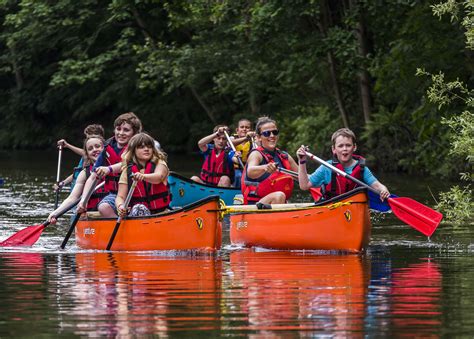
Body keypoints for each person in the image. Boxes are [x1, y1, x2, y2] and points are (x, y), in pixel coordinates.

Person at [77, 112, 142, 217]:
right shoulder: (107, 147)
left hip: (136, 193)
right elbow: (93, 177)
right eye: (118, 129)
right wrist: (83, 201)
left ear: (134, 133)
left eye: (126, 130)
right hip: (115, 194)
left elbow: (128, 163)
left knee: (138, 210)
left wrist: (109, 169)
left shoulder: (139, 147)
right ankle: (119, 227)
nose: (121, 133)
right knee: (103, 207)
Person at [297, 128, 390, 201]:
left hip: (354, 208)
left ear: (354, 147)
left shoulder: (362, 169)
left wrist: (384, 190)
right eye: (340, 146)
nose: (344, 149)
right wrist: (302, 161)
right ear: (334, 149)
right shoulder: (326, 167)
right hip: (331, 208)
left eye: (348, 145)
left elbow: (378, 186)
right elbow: (304, 186)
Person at [47, 134, 106, 224]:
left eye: (97, 146)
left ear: (105, 149)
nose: (94, 150)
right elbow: (73, 198)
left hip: (111, 211)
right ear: (87, 155)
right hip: (90, 214)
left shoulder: (114, 168)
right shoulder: (84, 173)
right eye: (90, 149)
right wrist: (56, 213)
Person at [241, 116, 298, 205]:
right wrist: (265, 167)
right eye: (267, 133)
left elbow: (303, 178)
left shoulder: (284, 156)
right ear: (259, 137)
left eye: (274, 132)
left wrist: (302, 161)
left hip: (277, 202)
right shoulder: (256, 154)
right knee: (279, 196)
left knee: (281, 197)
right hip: (255, 205)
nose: (272, 136)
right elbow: (250, 171)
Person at [116, 133, 170, 217]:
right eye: (141, 147)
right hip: (137, 214)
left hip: (161, 213)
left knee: (139, 208)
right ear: (134, 150)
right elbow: (120, 196)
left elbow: (159, 177)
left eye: (149, 146)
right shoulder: (127, 170)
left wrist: (143, 176)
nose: (146, 149)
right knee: (138, 208)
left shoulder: (160, 162)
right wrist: (121, 206)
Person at [54, 124, 105, 190]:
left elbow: (84, 153)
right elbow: (77, 173)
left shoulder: (102, 158)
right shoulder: (86, 159)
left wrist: (67, 145)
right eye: (87, 138)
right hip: (75, 191)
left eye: (89, 137)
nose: (87, 140)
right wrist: (63, 183)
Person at [230, 118, 256, 188]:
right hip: (234, 169)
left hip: (248, 168)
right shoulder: (232, 139)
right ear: (237, 130)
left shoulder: (253, 141)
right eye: (242, 127)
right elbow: (229, 143)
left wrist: (255, 136)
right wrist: (245, 138)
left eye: (247, 127)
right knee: (239, 176)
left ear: (250, 130)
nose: (244, 129)